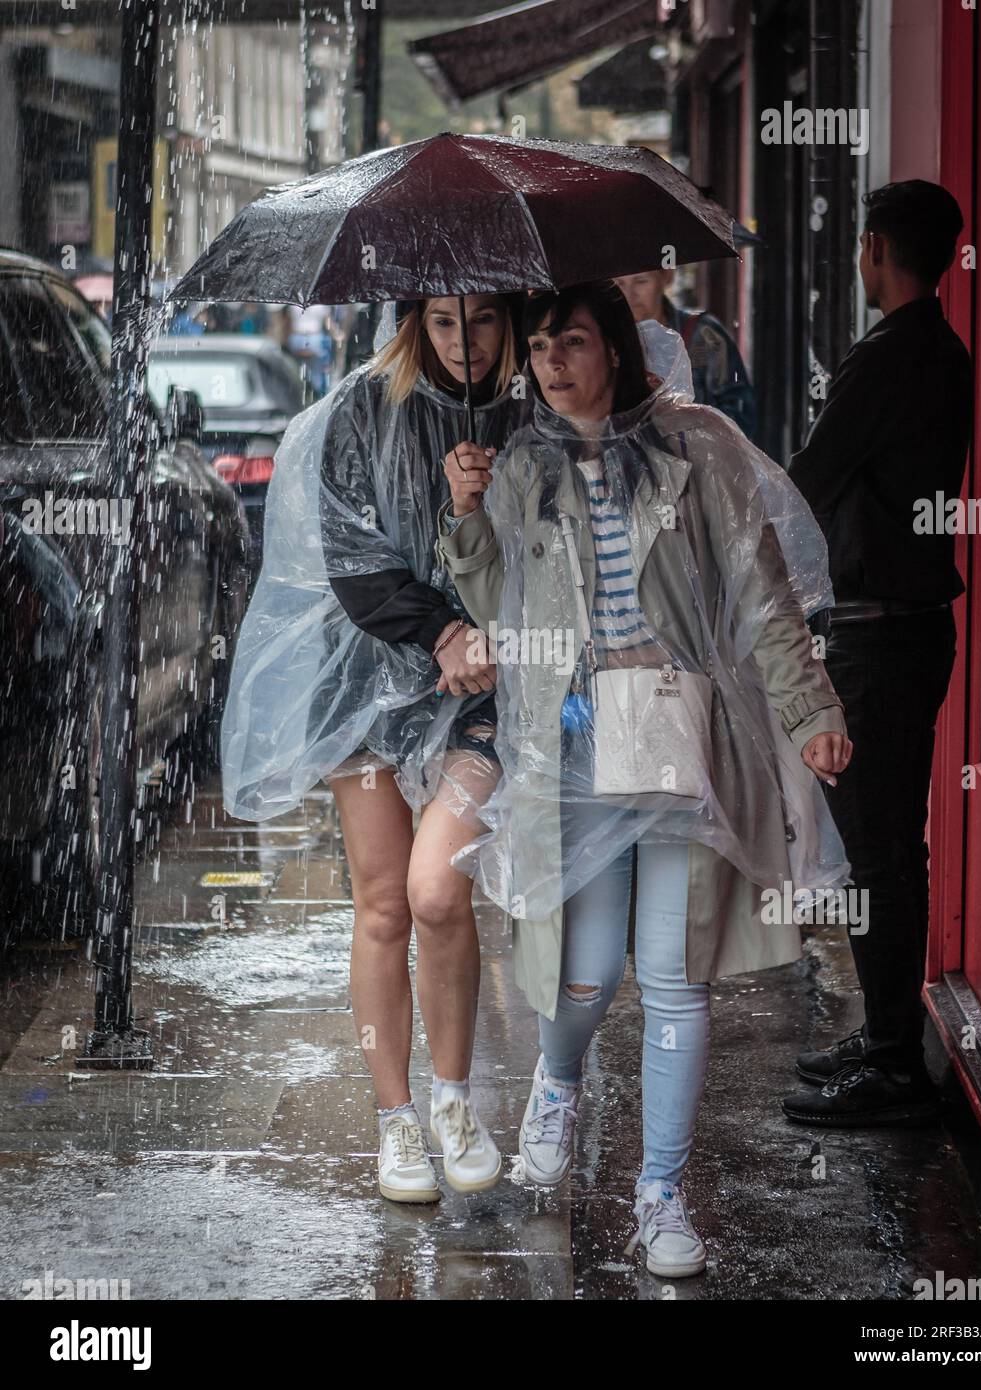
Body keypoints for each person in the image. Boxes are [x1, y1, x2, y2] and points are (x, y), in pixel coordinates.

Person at [437, 281, 852, 1276]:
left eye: (568, 342)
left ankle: (659, 1192)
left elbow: (763, 592)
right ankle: (559, 1073)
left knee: (673, 975)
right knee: (586, 973)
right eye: (536, 346)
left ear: (613, 350)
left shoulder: (695, 449)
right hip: (569, 751)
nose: (547, 363)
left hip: (671, 741)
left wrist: (809, 710)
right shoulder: (522, 464)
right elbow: (494, 606)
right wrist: (467, 518)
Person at [221, 293, 527, 1202]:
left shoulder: (528, 414)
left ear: (508, 322)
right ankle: (396, 1121)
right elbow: (351, 561)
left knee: (440, 894)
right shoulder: (359, 408)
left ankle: (454, 1100)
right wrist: (441, 634)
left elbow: (553, 559)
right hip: (363, 677)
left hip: (482, 689)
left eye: (478, 322)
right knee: (384, 903)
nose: (460, 341)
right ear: (412, 324)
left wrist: (481, 506)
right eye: (440, 322)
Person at [783, 180, 972, 1126]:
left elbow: (805, 482)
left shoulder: (885, 358)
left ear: (873, 248)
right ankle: (889, 1037)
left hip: (875, 639)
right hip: (912, 631)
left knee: (876, 854)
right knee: (894, 846)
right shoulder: (945, 352)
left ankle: (897, 1068)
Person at [614, 268, 757, 440]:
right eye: (619, 283)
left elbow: (740, 412)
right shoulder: (609, 344)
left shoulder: (703, 335)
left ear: (667, 276)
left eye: (641, 281)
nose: (629, 294)